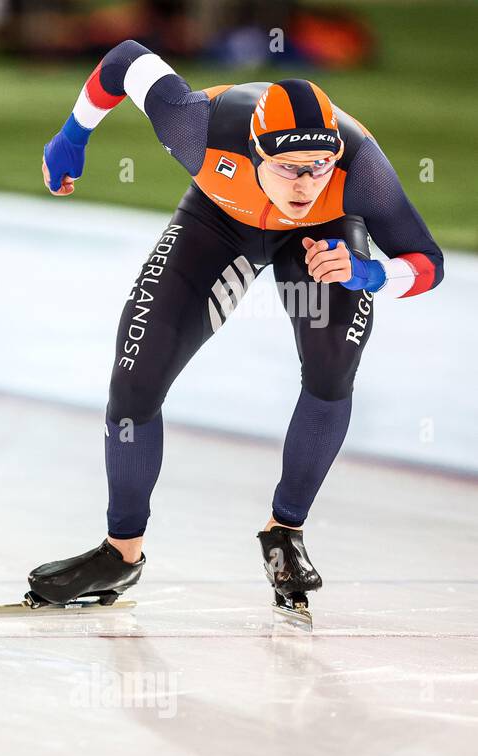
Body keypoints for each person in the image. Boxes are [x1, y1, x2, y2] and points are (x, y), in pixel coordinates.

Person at [29, 40, 443, 618]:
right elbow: (124, 60)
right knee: (135, 381)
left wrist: (370, 271)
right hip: (219, 220)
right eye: (289, 170)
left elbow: (428, 264)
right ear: (253, 153)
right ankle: (121, 553)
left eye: (317, 168)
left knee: (331, 372)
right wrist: (74, 133)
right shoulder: (196, 126)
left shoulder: (359, 168)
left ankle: (286, 532)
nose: (304, 185)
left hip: (323, 238)